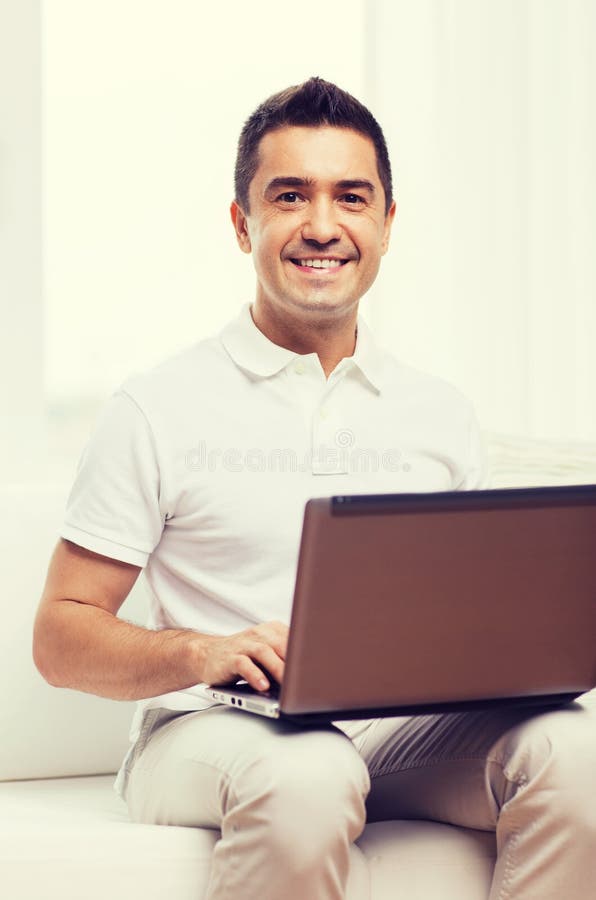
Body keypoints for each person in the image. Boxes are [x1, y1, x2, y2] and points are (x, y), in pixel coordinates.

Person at [34, 77, 596, 900]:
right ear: (242, 223)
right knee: (308, 773)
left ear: (386, 225)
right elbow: (60, 636)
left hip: (397, 737)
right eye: (290, 196)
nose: (323, 226)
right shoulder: (157, 405)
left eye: (352, 198)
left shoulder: (439, 412)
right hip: (209, 730)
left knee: (575, 755)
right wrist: (203, 651)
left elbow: (475, 621)